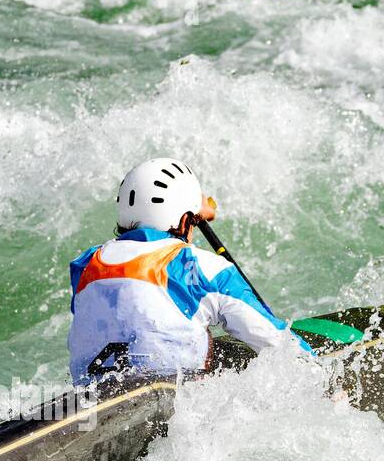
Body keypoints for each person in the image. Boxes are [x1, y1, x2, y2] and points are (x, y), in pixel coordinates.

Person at [67, 157, 311, 382]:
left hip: (94, 394)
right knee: (225, 348)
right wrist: (319, 372)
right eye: (194, 223)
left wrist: (191, 209)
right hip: (169, 395)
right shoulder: (201, 265)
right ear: (185, 221)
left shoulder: (87, 264)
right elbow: (272, 340)